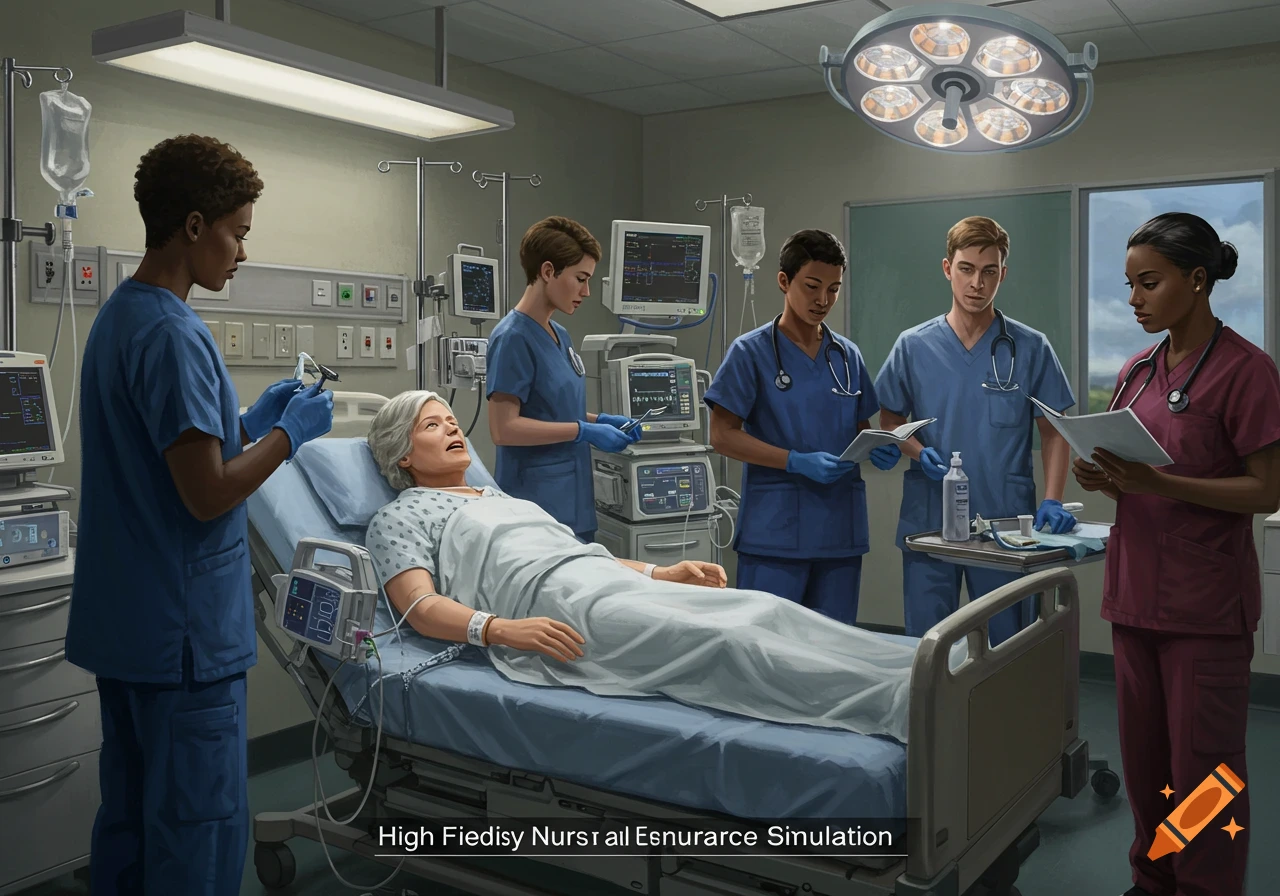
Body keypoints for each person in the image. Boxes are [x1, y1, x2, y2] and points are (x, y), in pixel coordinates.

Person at [64, 135, 335, 896]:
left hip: (129, 632)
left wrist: (250, 419)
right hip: (184, 643)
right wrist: (289, 437)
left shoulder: (123, 316)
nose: (243, 252)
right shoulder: (177, 335)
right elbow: (206, 492)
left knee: (132, 824)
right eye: (238, 233)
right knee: (194, 835)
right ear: (192, 226)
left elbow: (173, 456)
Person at [365, 391, 945, 744]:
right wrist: (500, 629)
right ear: (401, 456)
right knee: (723, 639)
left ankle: (924, 667)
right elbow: (419, 608)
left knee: (760, 607)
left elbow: (581, 553)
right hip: (551, 609)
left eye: (451, 420)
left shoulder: (498, 498)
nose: (452, 430)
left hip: (595, 578)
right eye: (432, 425)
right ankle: (906, 705)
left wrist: (659, 573)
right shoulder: (400, 517)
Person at [1072, 213, 1280, 896]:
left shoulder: (1247, 371)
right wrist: (1102, 475)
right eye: (1130, 284)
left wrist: (1156, 483)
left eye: (1149, 283)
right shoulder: (1136, 369)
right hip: (1135, 600)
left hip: (1203, 611)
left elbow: (1266, 489)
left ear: (1197, 280)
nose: (1134, 299)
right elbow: (1133, 466)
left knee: (1204, 774)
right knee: (1149, 767)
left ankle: (1204, 887)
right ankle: (1153, 879)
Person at [874, 216, 1076, 646]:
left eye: (989, 272)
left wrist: (1053, 497)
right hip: (930, 523)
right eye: (966, 269)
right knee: (928, 651)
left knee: (1006, 650)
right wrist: (914, 451)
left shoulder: (1031, 347)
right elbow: (890, 420)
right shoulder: (913, 346)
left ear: (1003, 273)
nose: (977, 283)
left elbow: (1054, 431)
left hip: (1004, 525)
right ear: (947, 268)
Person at [703, 230, 892, 624]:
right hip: (776, 534)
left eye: (834, 289)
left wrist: (881, 447)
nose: (823, 300)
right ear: (784, 281)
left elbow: (862, 429)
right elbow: (721, 435)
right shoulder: (750, 353)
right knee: (766, 651)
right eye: (812, 286)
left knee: (834, 650)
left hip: (839, 533)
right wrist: (794, 461)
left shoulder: (846, 355)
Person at [486, 216, 640, 544]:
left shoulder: (561, 334)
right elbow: (503, 429)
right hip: (535, 508)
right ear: (547, 272)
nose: (586, 291)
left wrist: (603, 422)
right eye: (580, 278)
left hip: (574, 503)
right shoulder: (513, 338)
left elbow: (549, 410)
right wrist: (584, 431)